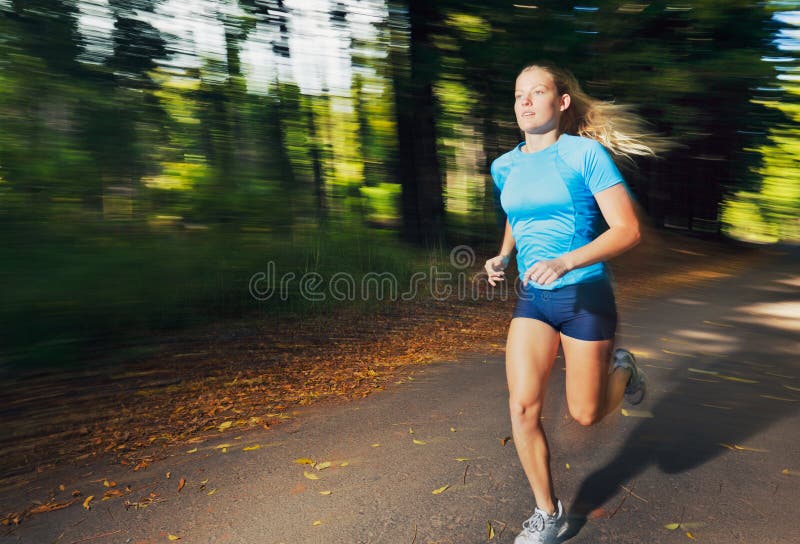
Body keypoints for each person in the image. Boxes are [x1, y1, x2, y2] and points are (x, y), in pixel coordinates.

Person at [484, 62, 663, 544]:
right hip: (534, 299)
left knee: (585, 414)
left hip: (584, 293)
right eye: (518, 93)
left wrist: (564, 262)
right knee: (522, 409)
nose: (524, 101)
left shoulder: (585, 155)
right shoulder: (505, 165)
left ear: (561, 102)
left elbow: (627, 230)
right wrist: (503, 256)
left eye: (536, 92)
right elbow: (517, 214)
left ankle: (623, 369)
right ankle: (548, 513)